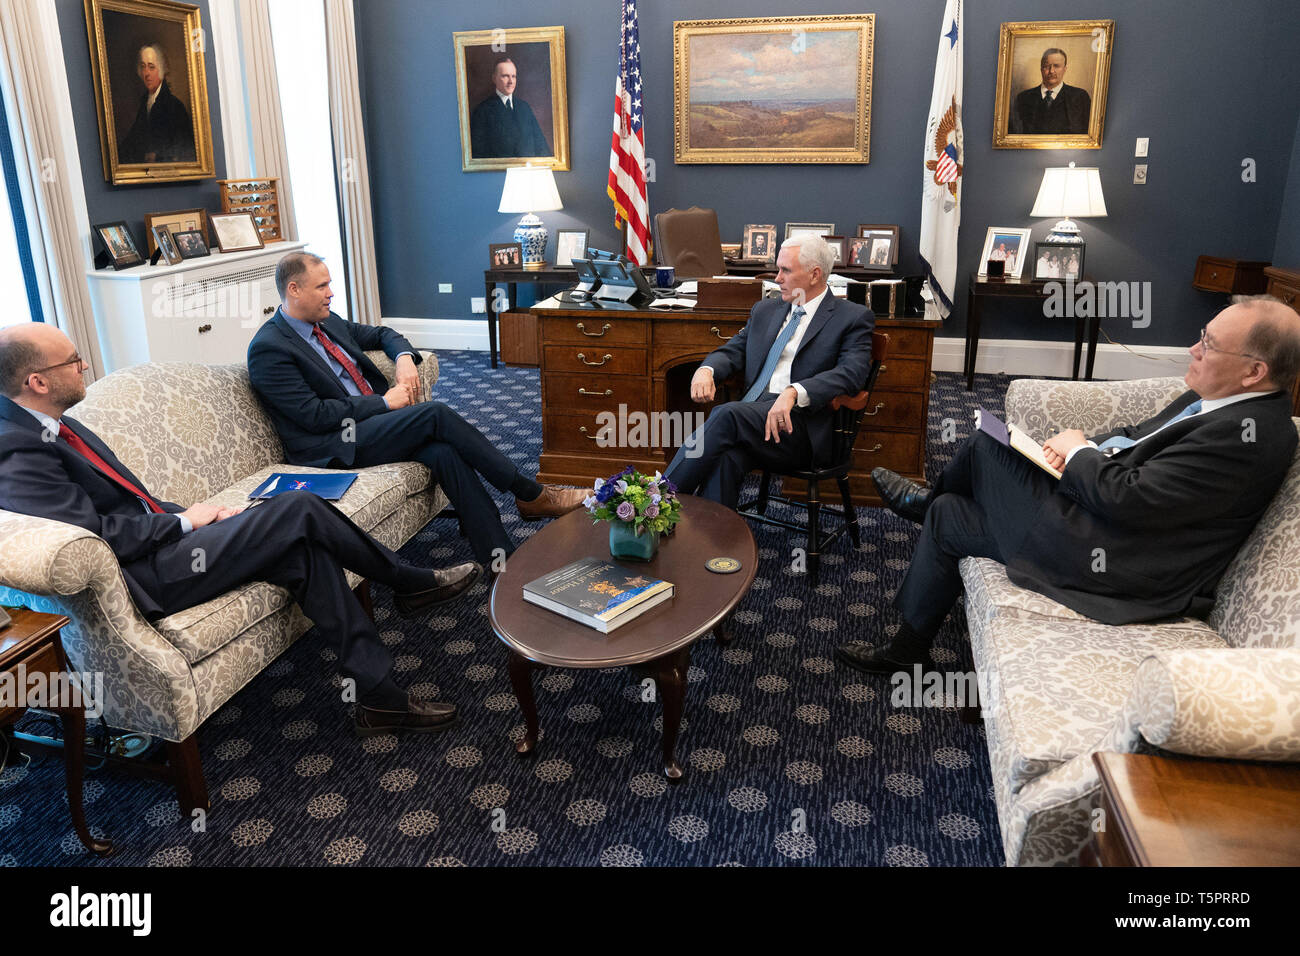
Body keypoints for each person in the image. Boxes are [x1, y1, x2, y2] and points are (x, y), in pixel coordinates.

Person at [0, 323, 479, 735]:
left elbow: (132, 499)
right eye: (73, 361)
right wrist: (185, 523)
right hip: (143, 577)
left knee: (301, 551)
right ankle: (406, 581)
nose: (83, 367)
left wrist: (196, 515)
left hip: (166, 547)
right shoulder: (15, 448)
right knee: (296, 508)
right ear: (37, 380)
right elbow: (91, 535)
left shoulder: (54, 424)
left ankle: (380, 697)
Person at [841, 297, 1300, 675]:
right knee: (951, 514)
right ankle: (908, 648)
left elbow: (1131, 499)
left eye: (1208, 344)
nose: (1191, 349)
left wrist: (1079, 451)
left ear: (1254, 371)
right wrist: (1071, 451)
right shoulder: (1218, 398)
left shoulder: (1248, 436)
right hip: (1096, 521)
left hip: (1114, 561)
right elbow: (1134, 436)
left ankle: (924, 502)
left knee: (986, 443)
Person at [247, 252, 585, 569]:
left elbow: (384, 333)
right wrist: (384, 402)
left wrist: (405, 359)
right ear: (294, 289)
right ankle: (530, 493)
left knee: (442, 453)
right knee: (434, 414)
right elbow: (313, 415)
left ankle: (500, 559)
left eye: (330, 284)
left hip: (372, 425)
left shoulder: (328, 322)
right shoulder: (269, 348)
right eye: (322, 286)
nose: (331, 293)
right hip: (333, 445)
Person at [663, 234, 874, 509]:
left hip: (800, 428)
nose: (777, 278)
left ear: (815, 275)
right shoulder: (766, 310)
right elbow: (734, 351)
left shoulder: (851, 317)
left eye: (785, 270)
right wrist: (707, 369)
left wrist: (794, 392)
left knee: (727, 414)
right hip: (753, 419)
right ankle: (713, 545)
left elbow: (852, 373)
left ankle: (658, 501)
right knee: (727, 457)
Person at [119, 44, 196, 164]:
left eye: (151, 67)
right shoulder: (145, 103)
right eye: (143, 67)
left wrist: (157, 155)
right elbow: (133, 141)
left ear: (162, 69)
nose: (146, 73)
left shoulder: (175, 106)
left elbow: (184, 150)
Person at [469, 57, 550, 158]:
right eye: (505, 76)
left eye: (514, 76)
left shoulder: (524, 108)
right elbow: (478, 155)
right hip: (498, 172)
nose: (511, 81)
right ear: (494, 78)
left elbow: (542, 147)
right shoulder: (482, 111)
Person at [1009, 47, 1092, 135]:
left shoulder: (1080, 97)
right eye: (1047, 66)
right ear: (1041, 69)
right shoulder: (1023, 98)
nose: (1051, 71)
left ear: (1065, 69)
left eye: (1056, 66)